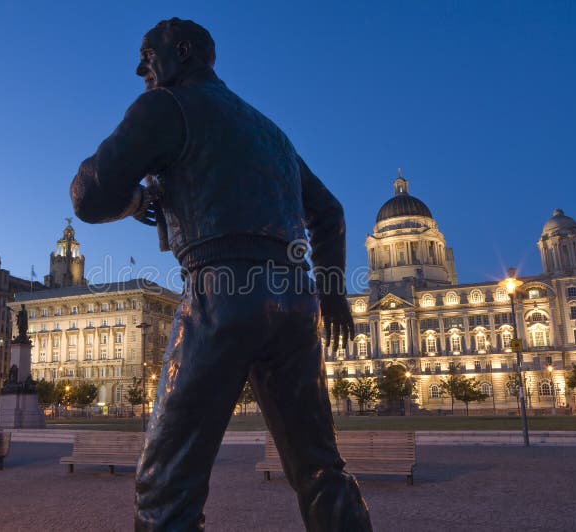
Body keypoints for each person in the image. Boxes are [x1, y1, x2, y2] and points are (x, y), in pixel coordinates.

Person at [71, 18, 372, 531]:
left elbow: (89, 195)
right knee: (321, 468)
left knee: (165, 484)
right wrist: (331, 295)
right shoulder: (269, 131)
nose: (139, 68)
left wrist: (138, 199)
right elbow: (331, 212)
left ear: (183, 52)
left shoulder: (165, 105)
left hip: (222, 294)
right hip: (297, 303)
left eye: (148, 53)